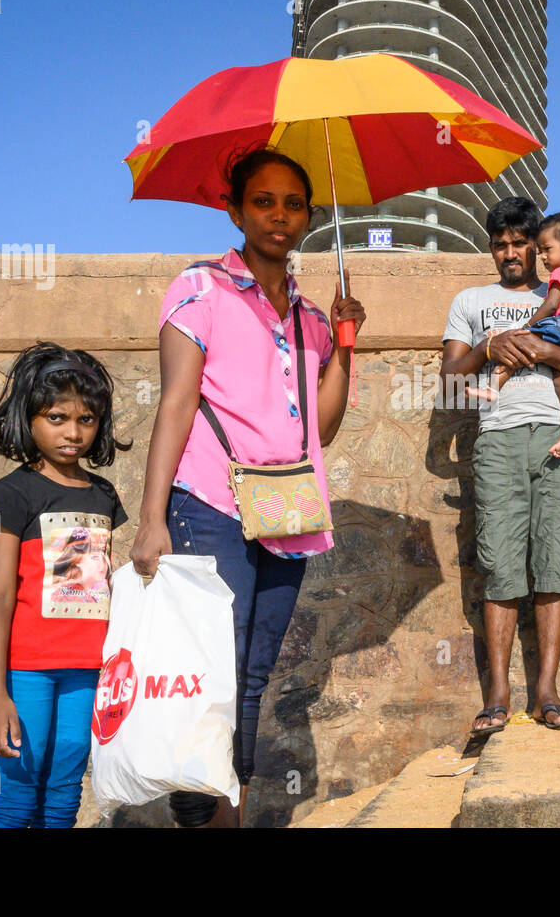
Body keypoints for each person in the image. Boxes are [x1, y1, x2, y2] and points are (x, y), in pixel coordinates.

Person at [130, 147, 365, 827]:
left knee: (252, 674)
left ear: (310, 218)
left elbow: (320, 430)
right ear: (234, 210)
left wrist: (343, 350)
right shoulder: (198, 289)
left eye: (293, 204)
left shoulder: (311, 318)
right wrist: (153, 518)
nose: (279, 216)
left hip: (285, 508)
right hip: (207, 501)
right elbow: (176, 402)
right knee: (212, 672)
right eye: (263, 201)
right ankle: (209, 814)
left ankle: (225, 804)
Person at [442, 197, 560, 735]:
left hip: (559, 439)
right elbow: (451, 379)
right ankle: (498, 692)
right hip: (497, 441)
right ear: (491, 249)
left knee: (555, 559)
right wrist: (492, 345)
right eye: (501, 244)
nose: (512, 252)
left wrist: (541, 352)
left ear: (541, 249)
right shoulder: (470, 301)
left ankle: (546, 690)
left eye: (522, 243)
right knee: (498, 563)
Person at [0, 343, 130, 828]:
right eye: (57, 417)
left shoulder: (104, 496)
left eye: (86, 420)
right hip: (28, 672)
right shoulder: (12, 494)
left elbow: (105, 582)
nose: (73, 432)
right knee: (16, 792)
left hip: (89, 670)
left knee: (64, 791)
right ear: (30, 418)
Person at [466, 212, 560, 457]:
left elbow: (552, 304)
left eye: (546, 250)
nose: (543, 256)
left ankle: (493, 387)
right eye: (540, 251)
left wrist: (530, 326)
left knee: (520, 344)